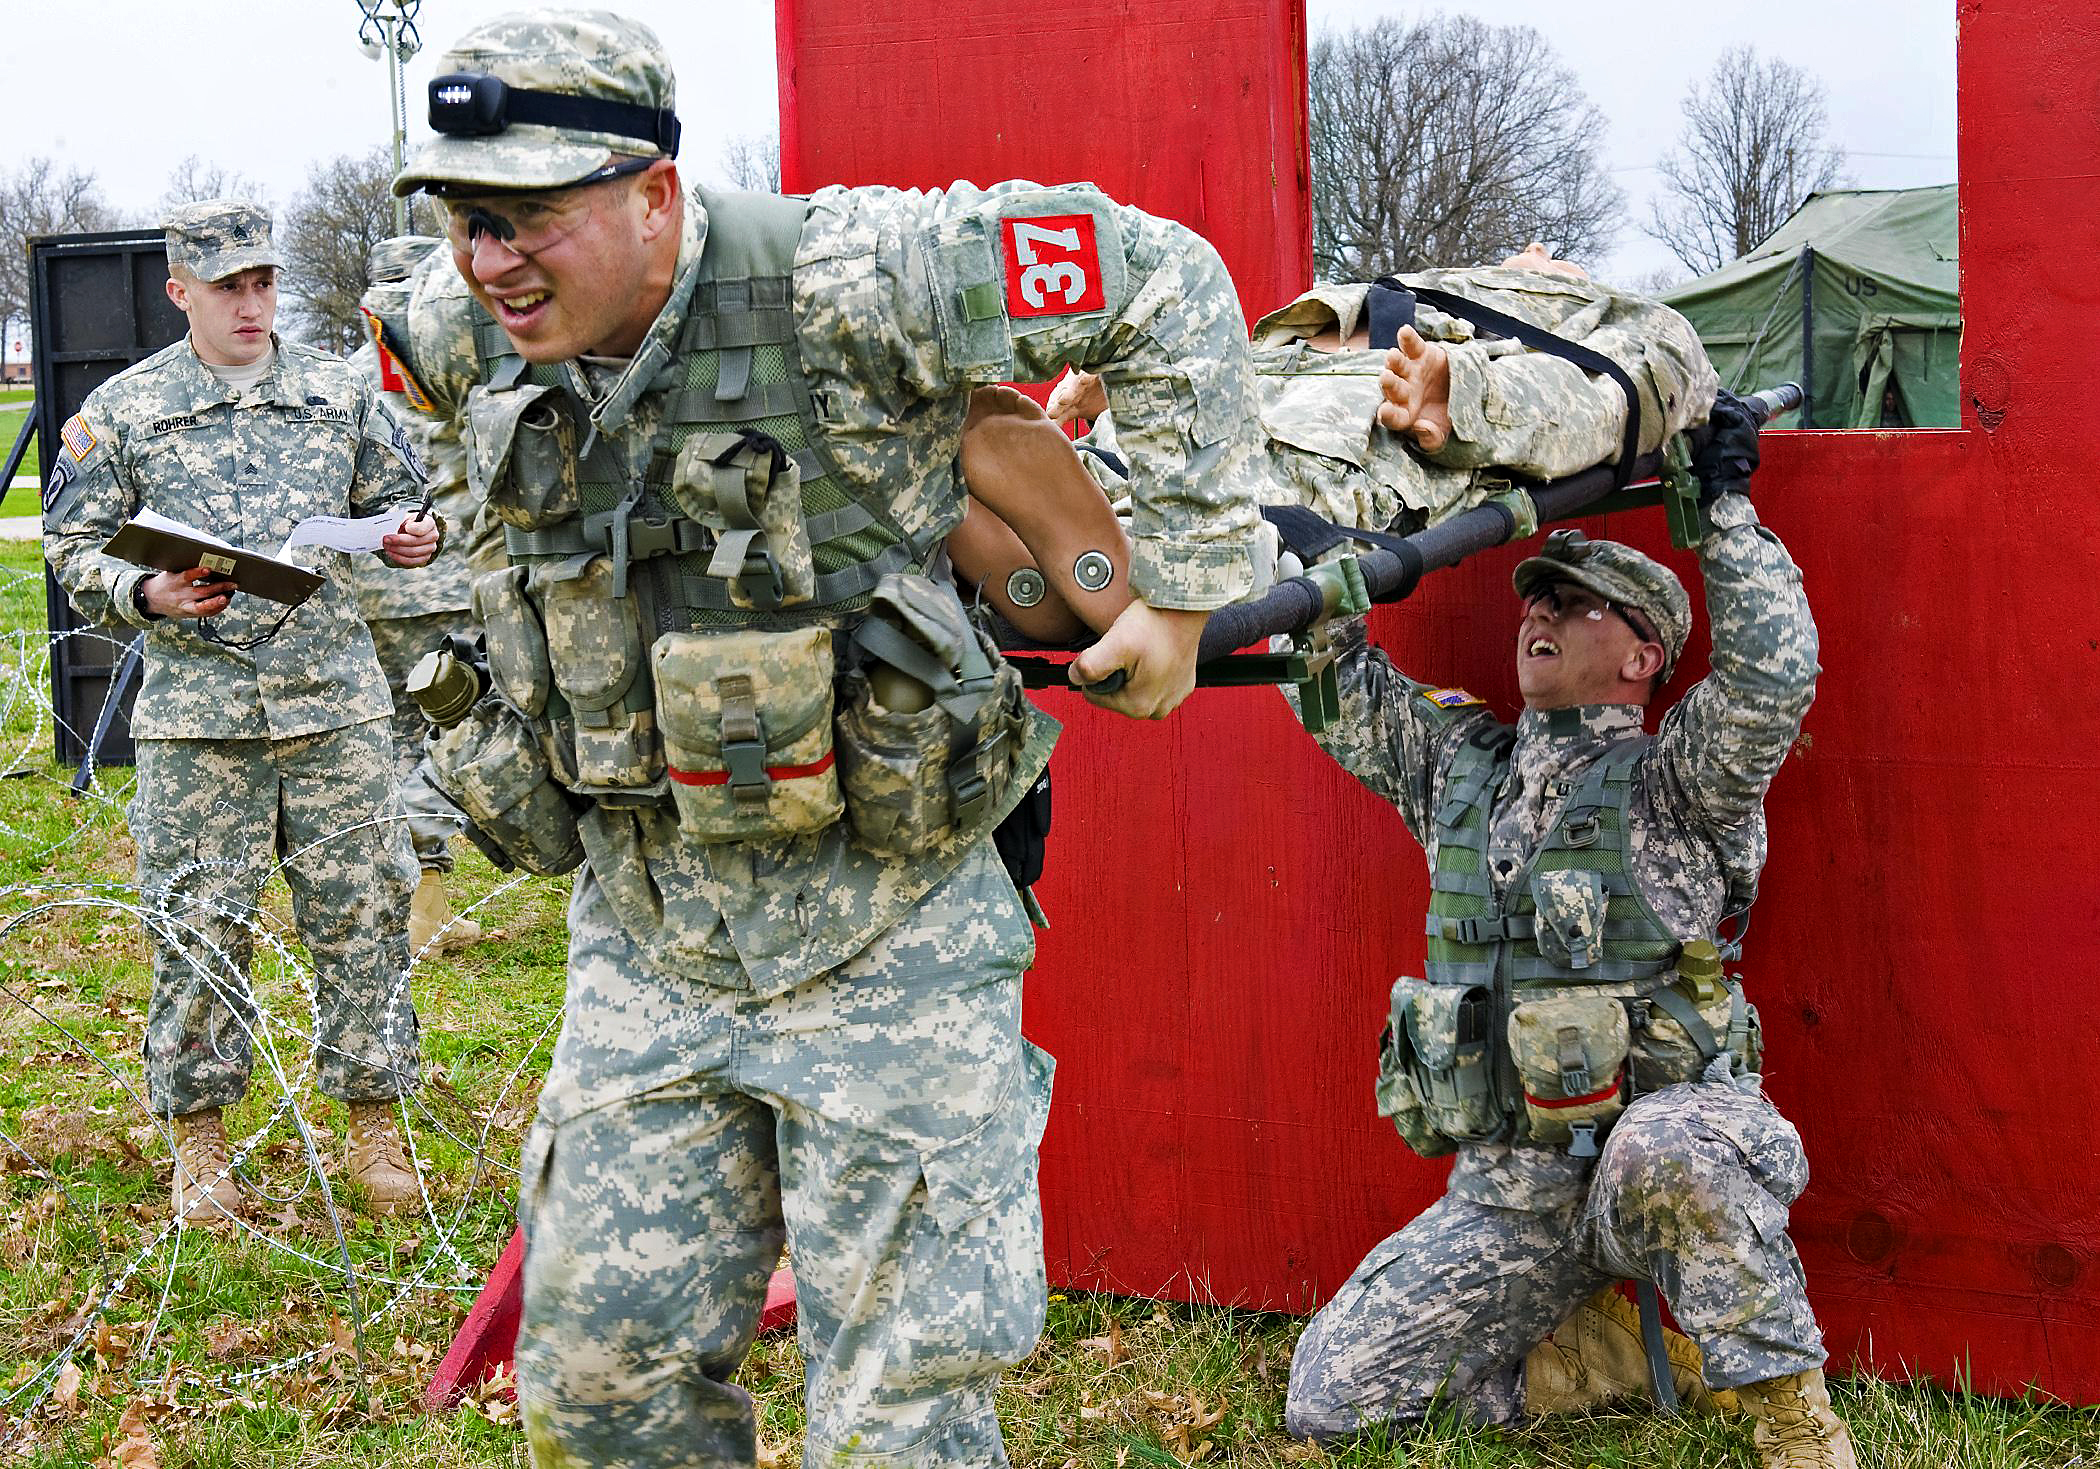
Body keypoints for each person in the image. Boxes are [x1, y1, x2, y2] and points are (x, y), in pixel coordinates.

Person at [378, 10, 1261, 1465]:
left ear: (654, 195)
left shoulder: (861, 275)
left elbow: (1163, 279)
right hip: (649, 934)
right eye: (470, 219)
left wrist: (1173, 590)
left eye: (530, 216)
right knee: (598, 1393)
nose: (492, 260)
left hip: (887, 932)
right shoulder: (452, 327)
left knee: (898, 1423)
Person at [1277, 392, 1854, 1466]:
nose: (1541, 609)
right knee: (1332, 1400)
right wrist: (1318, 563)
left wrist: (1724, 509)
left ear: (1645, 657)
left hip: (1677, 1153)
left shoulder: (1683, 780)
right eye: (1537, 593)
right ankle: (1572, 1354)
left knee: (1663, 1141)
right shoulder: (1460, 770)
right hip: (1517, 1196)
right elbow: (1335, 682)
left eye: (1580, 603)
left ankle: (1790, 1413)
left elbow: (1775, 680)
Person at [41, 200, 443, 1223]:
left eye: (263, 282)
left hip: (333, 705)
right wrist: (142, 592)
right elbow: (72, 539)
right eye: (229, 287)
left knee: (364, 912)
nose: (252, 304)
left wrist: (409, 536)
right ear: (181, 291)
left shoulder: (337, 393)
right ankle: (202, 1150)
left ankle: (374, 1131)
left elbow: (404, 500)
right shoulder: (125, 410)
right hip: (199, 716)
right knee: (198, 927)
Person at [948, 244, 1716, 641]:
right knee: (1130, 462)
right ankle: (1038, 538)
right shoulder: (1401, 288)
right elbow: (1249, 356)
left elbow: (1632, 398)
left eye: (1550, 253)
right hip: (1235, 405)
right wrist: (1134, 384)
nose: (1533, 248)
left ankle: (1081, 562)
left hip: (1347, 443)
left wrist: (1464, 397)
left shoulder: (1614, 316)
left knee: (1252, 497)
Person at [348, 233, 492, 955]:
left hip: (375, 589)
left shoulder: (346, 380)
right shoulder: (460, 361)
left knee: (393, 741)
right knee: (446, 738)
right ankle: (422, 906)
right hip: (450, 585)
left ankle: (410, 898)